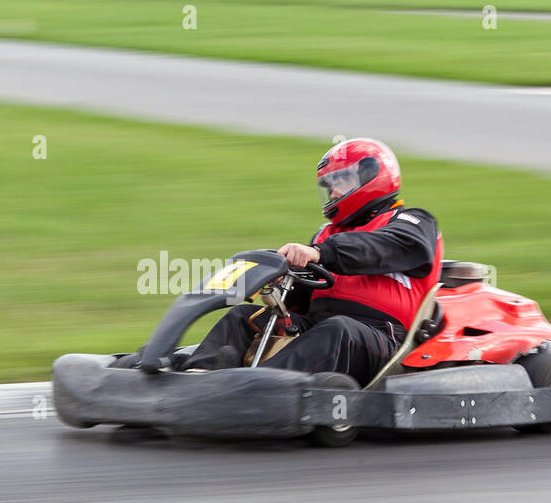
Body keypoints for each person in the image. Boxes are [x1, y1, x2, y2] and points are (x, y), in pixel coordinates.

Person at [180, 138, 441, 385]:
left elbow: (380, 247)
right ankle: (197, 379)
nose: (334, 191)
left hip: (381, 336)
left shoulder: (412, 224)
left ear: (372, 176)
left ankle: (254, 387)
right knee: (244, 317)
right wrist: (284, 283)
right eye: (330, 185)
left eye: (342, 180)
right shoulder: (325, 234)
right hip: (318, 326)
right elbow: (305, 298)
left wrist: (320, 252)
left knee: (337, 329)